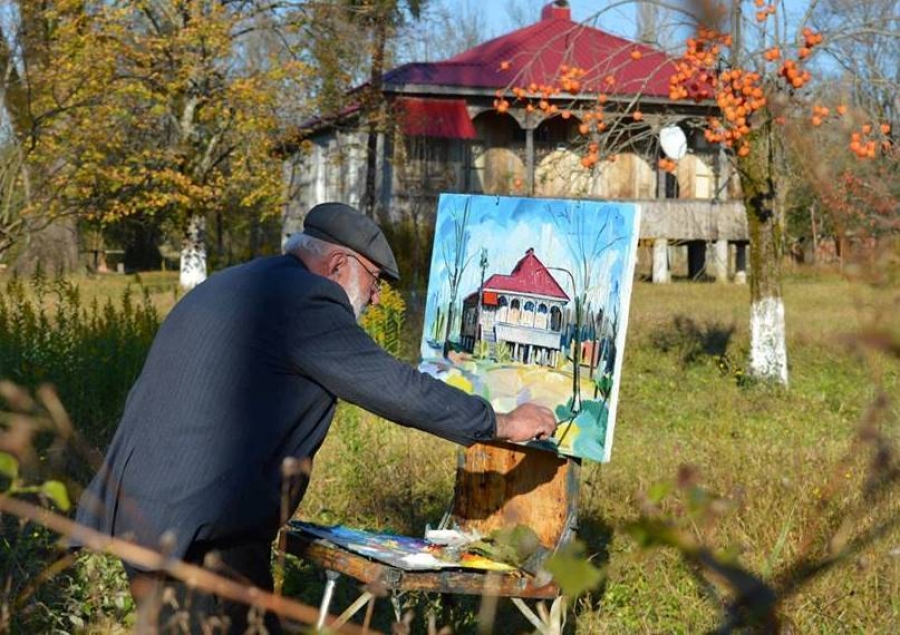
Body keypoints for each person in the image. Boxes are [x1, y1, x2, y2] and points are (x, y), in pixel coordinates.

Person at [75, 202, 557, 633]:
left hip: (146, 509)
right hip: (204, 531)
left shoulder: (239, 281)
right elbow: (395, 389)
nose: (374, 299)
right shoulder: (308, 301)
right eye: (374, 283)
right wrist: (501, 422)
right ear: (338, 264)